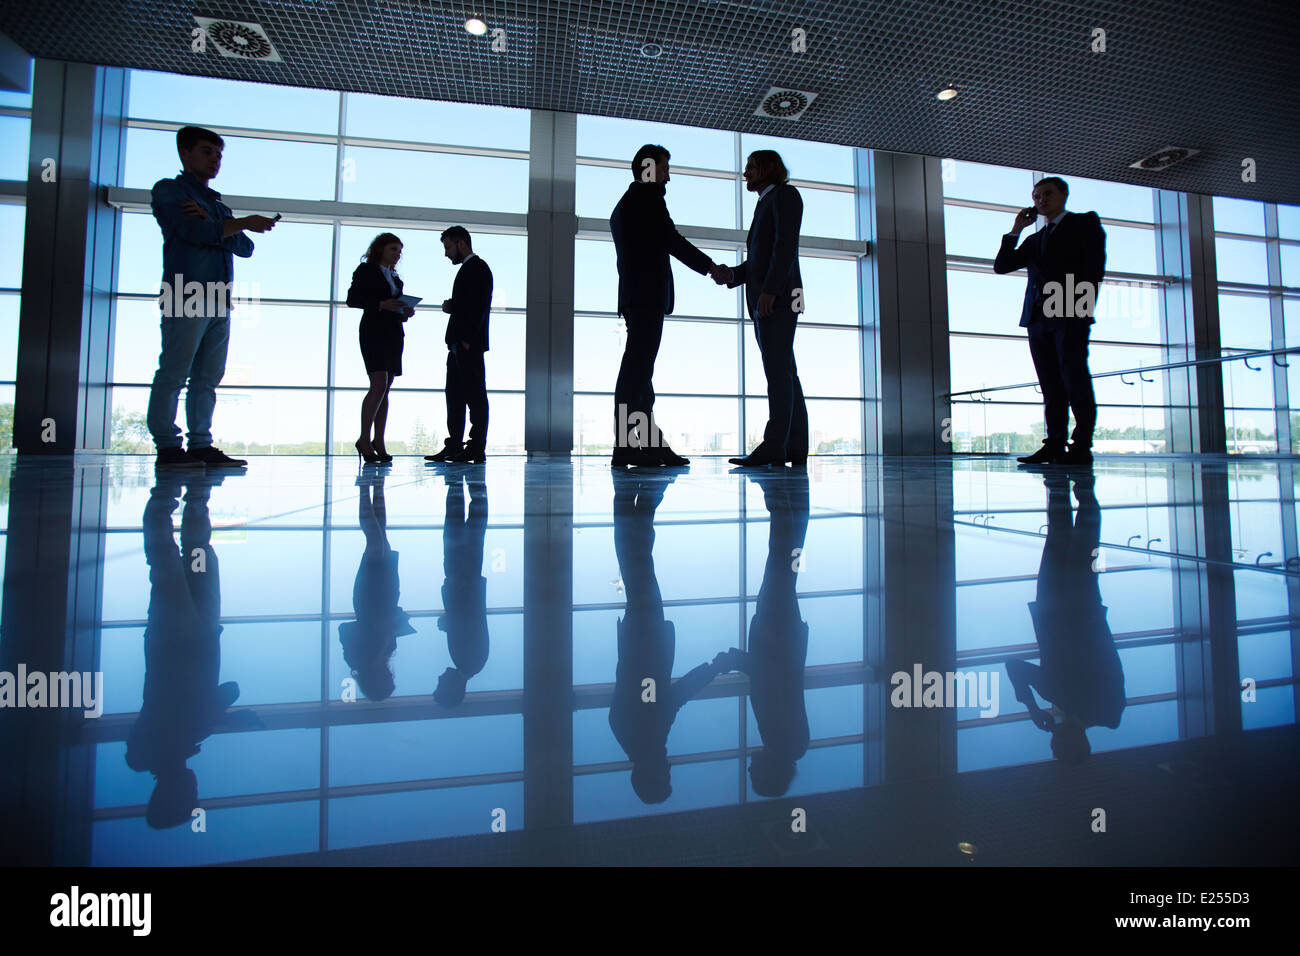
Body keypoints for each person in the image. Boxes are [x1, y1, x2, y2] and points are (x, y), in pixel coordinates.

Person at [147, 126, 277, 468]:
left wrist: (222, 225)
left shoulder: (216, 205)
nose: (215, 159)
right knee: (175, 371)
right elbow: (193, 231)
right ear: (184, 153)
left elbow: (245, 247)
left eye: (218, 154)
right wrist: (237, 223)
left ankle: (201, 443)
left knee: (208, 376)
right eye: (207, 152)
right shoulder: (169, 191)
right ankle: (167, 446)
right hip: (185, 291)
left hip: (219, 296)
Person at [609, 144, 725, 468]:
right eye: (665, 169)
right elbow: (671, 239)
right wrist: (710, 267)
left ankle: (646, 443)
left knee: (639, 375)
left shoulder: (624, 205)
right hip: (645, 298)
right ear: (648, 169)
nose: (668, 178)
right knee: (635, 375)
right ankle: (628, 445)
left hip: (635, 298)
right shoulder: (647, 199)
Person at [1005, 472, 1124, 763]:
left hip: (1081, 611)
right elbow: (1013, 666)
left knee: (1080, 541)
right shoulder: (1057, 693)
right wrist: (1033, 707)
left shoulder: (1105, 710)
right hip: (1061, 610)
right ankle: (1062, 482)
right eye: (1057, 746)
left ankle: (1081, 484)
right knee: (1060, 538)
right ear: (1065, 742)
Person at [993, 176, 1107, 466]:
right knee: (1050, 384)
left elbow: (1094, 268)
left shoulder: (1085, 223)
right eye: (1036, 196)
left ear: (1063, 195)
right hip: (1037, 318)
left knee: (1074, 377)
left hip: (1069, 311)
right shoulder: (1034, 239)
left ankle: (1081, 445)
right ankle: (1054, 443)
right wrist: (1017, 229)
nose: (1041, 200)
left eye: (1047, 194)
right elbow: (1002, 266)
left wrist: (1080, 308)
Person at [715, 150, 808, 468]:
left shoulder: (786, 195)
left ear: (769, 168)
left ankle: (775, 446)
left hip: (777, 298)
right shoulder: (766, 202)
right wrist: (734, 275)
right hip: (769, 297)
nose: (745, 173)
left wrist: (770, 291)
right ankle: (792, 446)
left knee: (778, 373)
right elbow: (759, 260)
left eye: (751, 167)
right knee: (785, 373)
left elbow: (786, 247)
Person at [346, 233, 415, 463]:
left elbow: (395, 307)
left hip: (394, 332)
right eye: (393, 249)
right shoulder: (366, 271)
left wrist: (404, 311)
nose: (398, 254)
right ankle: (364, 439)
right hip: (374, 331)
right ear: (381, 249)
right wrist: (380, 304)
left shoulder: (396, 279)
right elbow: (353, 299)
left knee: (386, 388)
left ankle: (379, 440)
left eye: (399, 250)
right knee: (378, 384)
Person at [425, 226, 491, 463]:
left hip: (466, 344)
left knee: (474, 396)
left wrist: (466, 339)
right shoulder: (470, 269)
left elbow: (479, 306)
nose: (446, 253)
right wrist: (452, 307)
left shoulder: (478, 268)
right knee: (454, 396)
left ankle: (475, 447)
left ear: (461, 243)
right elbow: (469, 304)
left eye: (448, 247)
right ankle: (455, 445)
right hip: (458, 344)